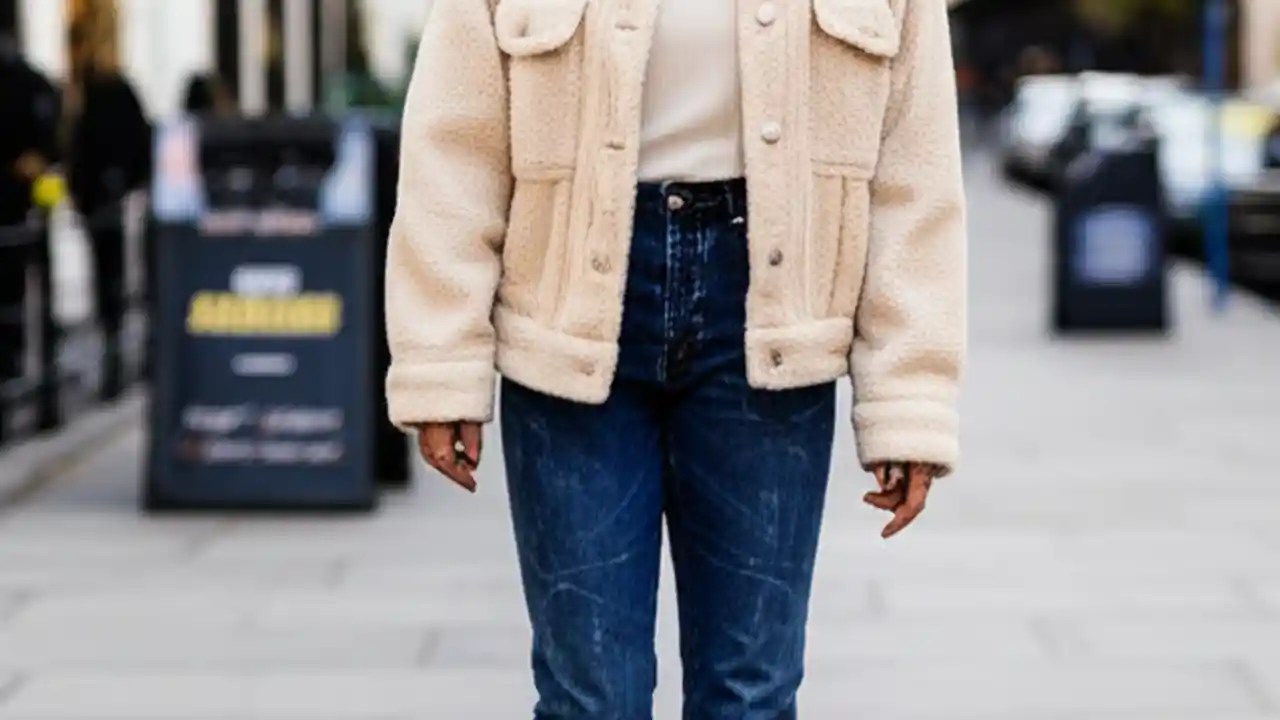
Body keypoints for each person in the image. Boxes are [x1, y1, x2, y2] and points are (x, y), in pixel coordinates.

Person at [386, 0, 966, 716]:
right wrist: (441, 359)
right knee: (590, 699)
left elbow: (916, 172)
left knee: (751, 695)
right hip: (568, 315)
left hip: (772, 322)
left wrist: (909, 397)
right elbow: (455, 139)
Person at [67, 34, 151, 401]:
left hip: (109, 200)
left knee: (115, 278)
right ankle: (116, 352)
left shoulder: (107, 97)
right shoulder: (92, 96)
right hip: (102, 201)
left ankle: (118, 353)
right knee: (112, 278)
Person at [0, 30, 61, 384]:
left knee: (28, 283)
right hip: (19, 202)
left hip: (30, 203)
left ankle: (27, 364)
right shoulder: (34, 84)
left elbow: (51, 147)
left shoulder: (33, 84)